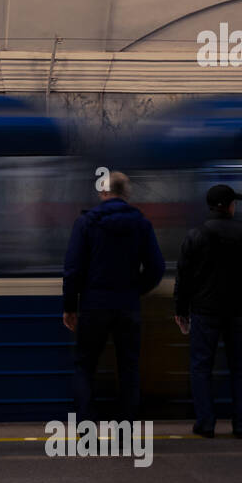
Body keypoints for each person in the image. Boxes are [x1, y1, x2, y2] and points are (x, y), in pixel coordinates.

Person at [61, 170, 165, 422]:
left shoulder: (86, 223)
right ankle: (125, 430)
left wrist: (70, 307)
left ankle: (87, 429)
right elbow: (156, 267)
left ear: (104, 192)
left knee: (85, 367)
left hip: (94, 305)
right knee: (128, 369)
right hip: (127, 306)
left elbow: (73, 269)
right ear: (125, 195)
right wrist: (133, 290)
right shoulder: (141, 223)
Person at [173, 184, 242, 439]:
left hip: (205, 312)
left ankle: (205, 424)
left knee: (201, 367)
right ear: (229, 206)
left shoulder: (195, 236)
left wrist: (181, 310)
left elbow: (184, 277)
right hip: (240, 312)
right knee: (241, 368)